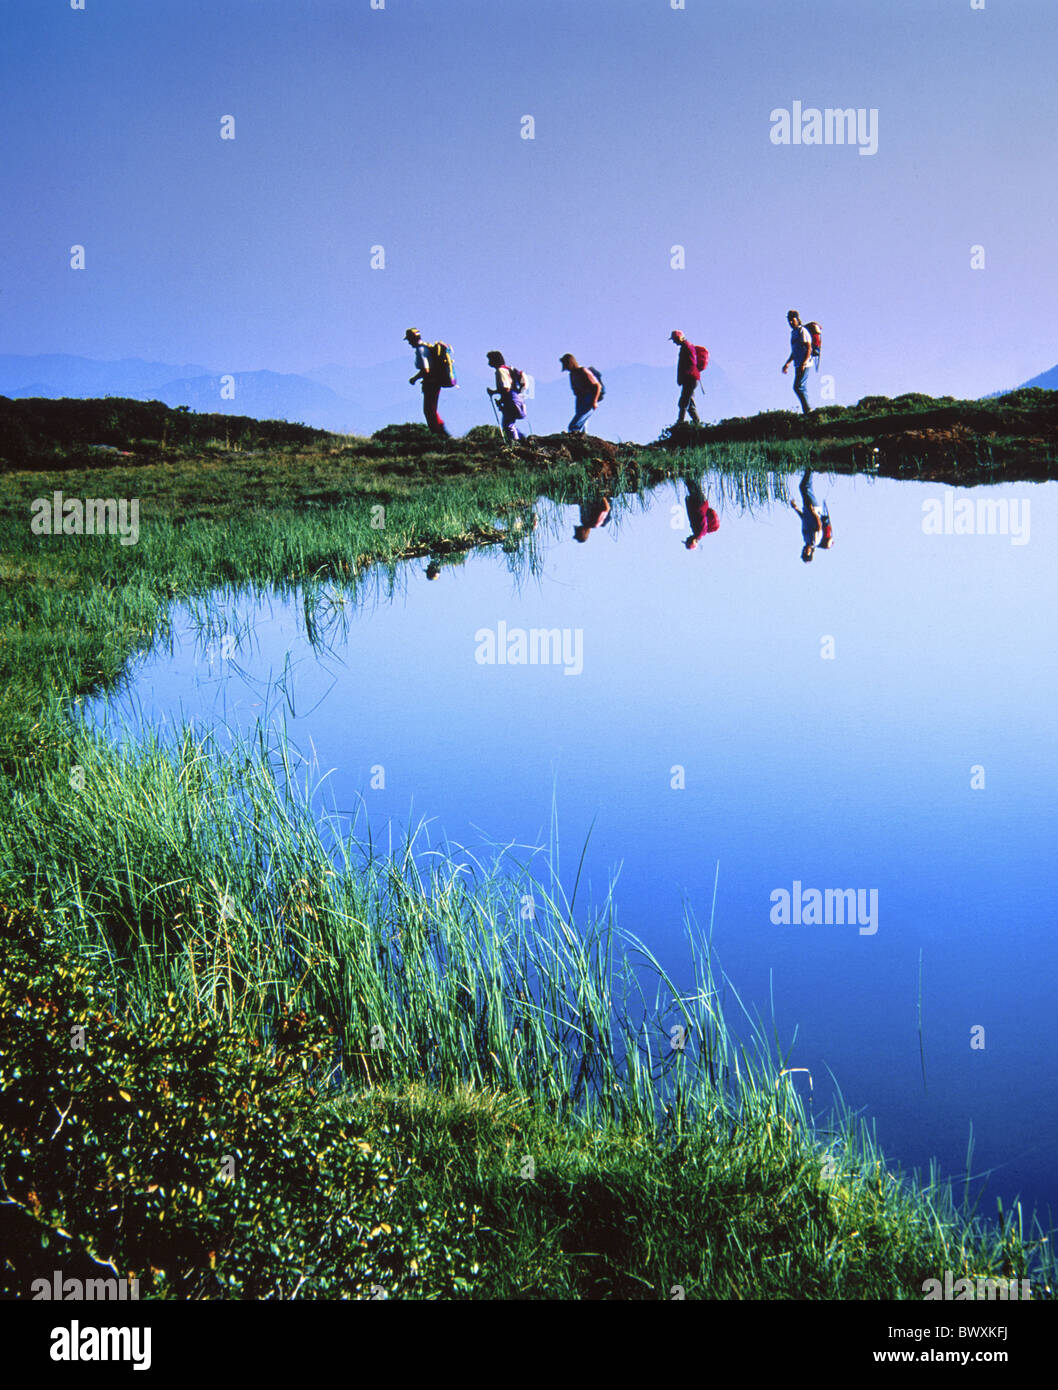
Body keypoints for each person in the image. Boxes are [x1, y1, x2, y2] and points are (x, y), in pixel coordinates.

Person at [404, 327, 450, 437]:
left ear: (413, 339)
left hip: (431, 383)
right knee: (431, 410)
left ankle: (440, 435)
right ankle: (440, 434)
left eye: (409, 340)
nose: (409, 343)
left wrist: (414, 379)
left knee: (429, 410)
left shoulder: (421, 350)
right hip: (434, 382)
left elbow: (426, 369)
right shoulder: (426, 347)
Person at [486, 351, 527, 442]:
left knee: (507, 424)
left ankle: (516, 442)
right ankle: (521, 440)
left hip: (511, 400)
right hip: (517, 398)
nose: (489, 362)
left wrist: (493, 392)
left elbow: (506, 388)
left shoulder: (500, 371)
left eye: (490, 360)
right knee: (509, 423)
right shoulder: (507, 369)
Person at [560, 354, 602, 434]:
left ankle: (574, 436)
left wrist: (594, 401)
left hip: (588, 398)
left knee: (575, 425)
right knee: (582, 423)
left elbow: (597, 386)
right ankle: (582, 439)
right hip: (580, 399)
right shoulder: (572, 374)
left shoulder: (583, 371)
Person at [781, 310, 813, 415]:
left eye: (792, 320)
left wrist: (804, 362)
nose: (790, 322)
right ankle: (807, 410)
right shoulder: (793, 333)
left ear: (797, 319)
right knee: (799, 386)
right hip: (798, 363)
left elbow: (809, 348)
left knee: (798, 386)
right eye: (789, 320)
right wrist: (787, 363)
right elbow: (794, 351)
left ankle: (808, 410)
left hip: (805, 363)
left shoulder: (802, 331)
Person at [790, 468, 822, 562]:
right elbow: (819, 526)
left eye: (803, 552)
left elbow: (804, 519)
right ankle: (811, 468)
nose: (804, 550)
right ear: (811, 552)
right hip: (813, 509)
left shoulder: (806, 539)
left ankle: (809, 468)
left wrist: (795, 509)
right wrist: (813, 512)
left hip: (807, 510)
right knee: (805, 487)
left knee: (805, 487)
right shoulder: (814, 541)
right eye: (806, 553)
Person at [670, 331, 702, 425]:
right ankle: (697, 423)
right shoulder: (687, 347)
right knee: (690, 403)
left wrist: (685, 376)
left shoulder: (687, 347)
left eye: (675, 339)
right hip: (691, 379)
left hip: (690, 379)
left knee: (683, 402)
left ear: (679, 338)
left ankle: (680, 423)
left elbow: (691, 363)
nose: (674, 342)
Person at [683, 478, 719, 549]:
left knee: (692, 483)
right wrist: (691, 504)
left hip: (700, 503)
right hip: (699, 503)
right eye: (688, 540)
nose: (687, 538)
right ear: (693, 541)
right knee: (691, 483)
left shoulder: (698, 532)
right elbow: (700, 516)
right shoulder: (699, 532)